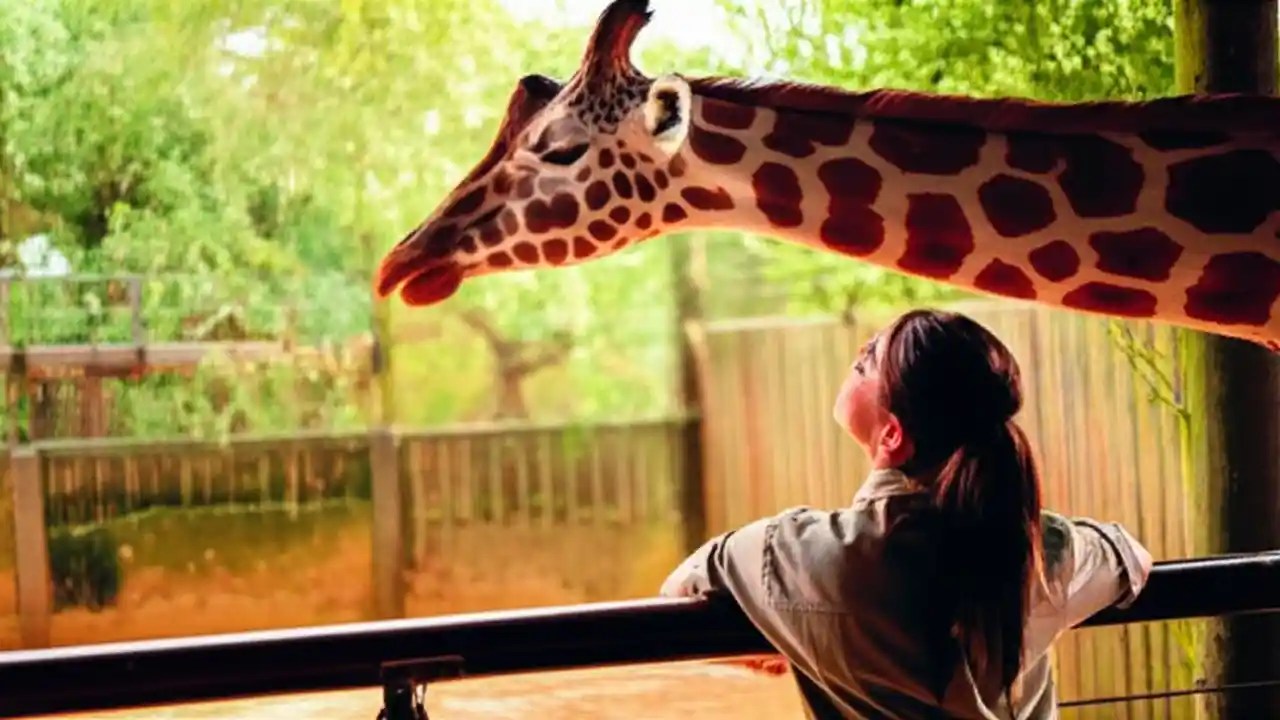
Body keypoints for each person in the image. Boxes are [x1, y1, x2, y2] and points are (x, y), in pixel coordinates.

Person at [660, 308, 1153, 719]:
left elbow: (682, 590)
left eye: (870, 358)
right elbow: (1128, 555)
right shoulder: (1044, 554)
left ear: (893, 435)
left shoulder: (797, 556)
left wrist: (795, 635)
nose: (859, 352)